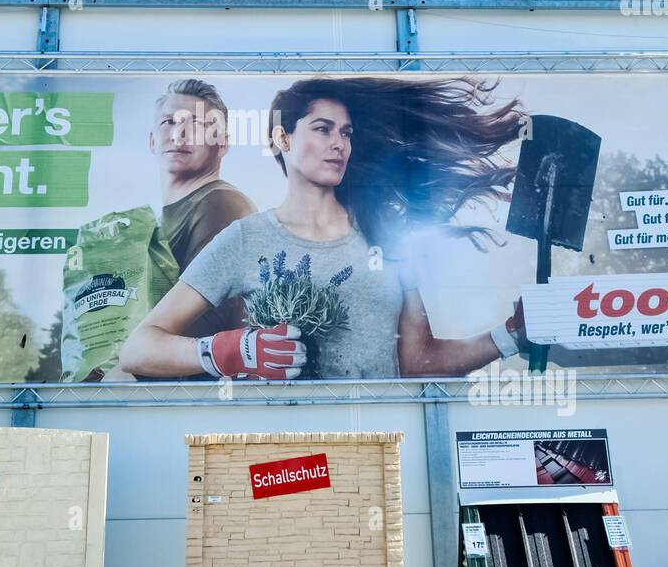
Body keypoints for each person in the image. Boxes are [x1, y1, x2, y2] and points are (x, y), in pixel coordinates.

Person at [119, 76, 530, 380]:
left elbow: (418, 362)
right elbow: (139, 349)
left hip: (378, 447)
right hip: (286, 459)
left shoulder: (385, 235)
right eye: (322, 129)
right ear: (283, 138)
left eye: (346, 133)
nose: (339, 144)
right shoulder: (245, 239)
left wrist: (508, 336)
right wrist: (230, 350)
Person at [149, 79, 256, 336]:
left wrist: (124, 366)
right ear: (152, 141)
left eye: (195, 124)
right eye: (169, 122)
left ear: (223, 143)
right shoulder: (157, 221)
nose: (179, 134)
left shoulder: (222, 205)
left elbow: (198, 327)